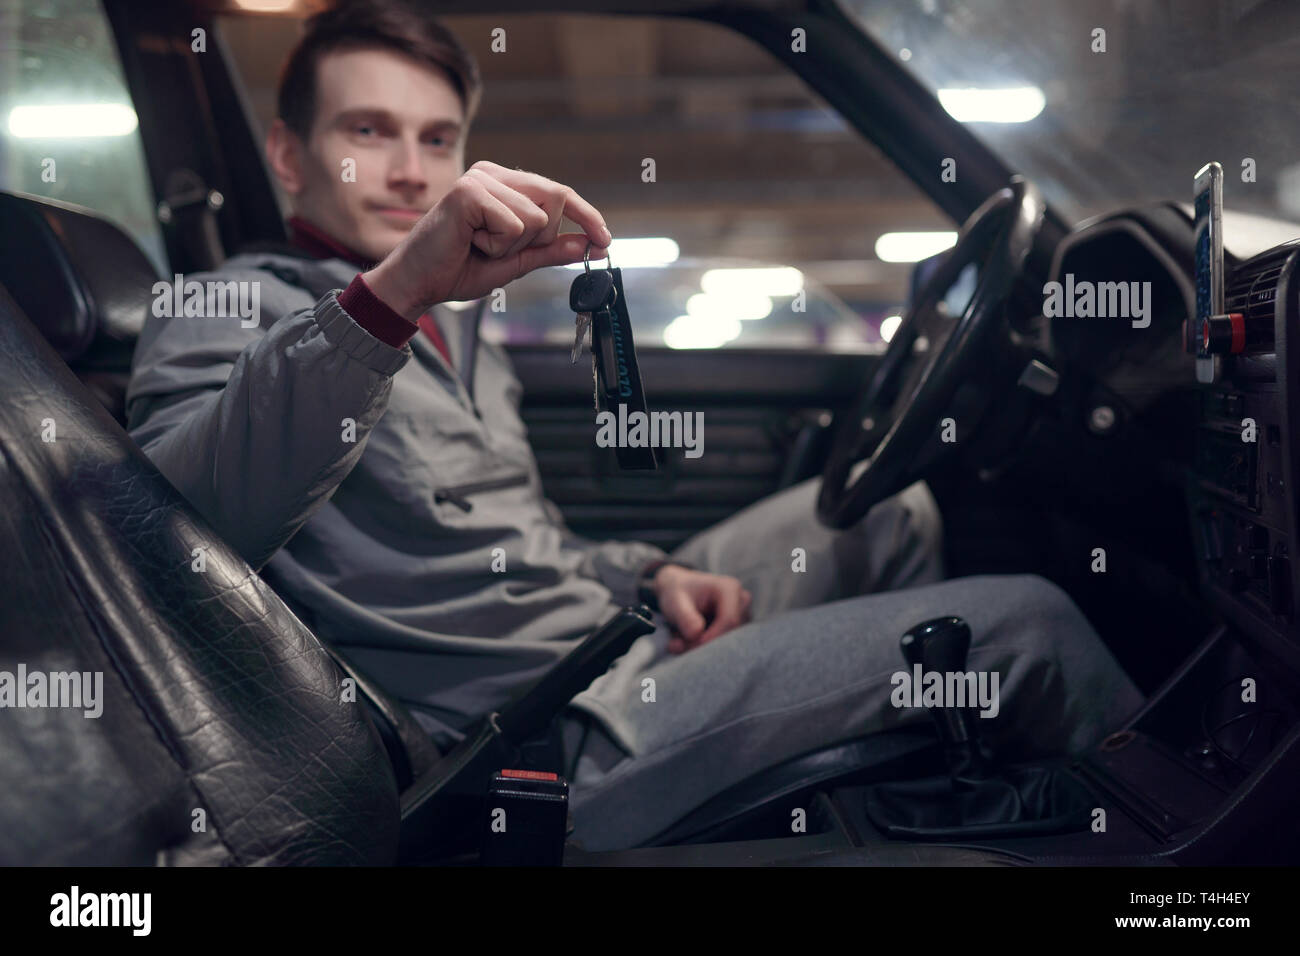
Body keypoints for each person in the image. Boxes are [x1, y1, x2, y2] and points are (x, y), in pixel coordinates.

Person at [126, 0, 1143, 851]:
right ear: (288, 155)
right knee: (1028, 623)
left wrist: (646, 575)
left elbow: (522, 548)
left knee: (896, 513)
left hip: (609, 633)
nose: (408, 170)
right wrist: (389, 300)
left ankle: (908, 796)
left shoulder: (454, 328)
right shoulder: (225, 306)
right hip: (546, 732)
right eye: (367, 132)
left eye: (436, 138)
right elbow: (172, 535)